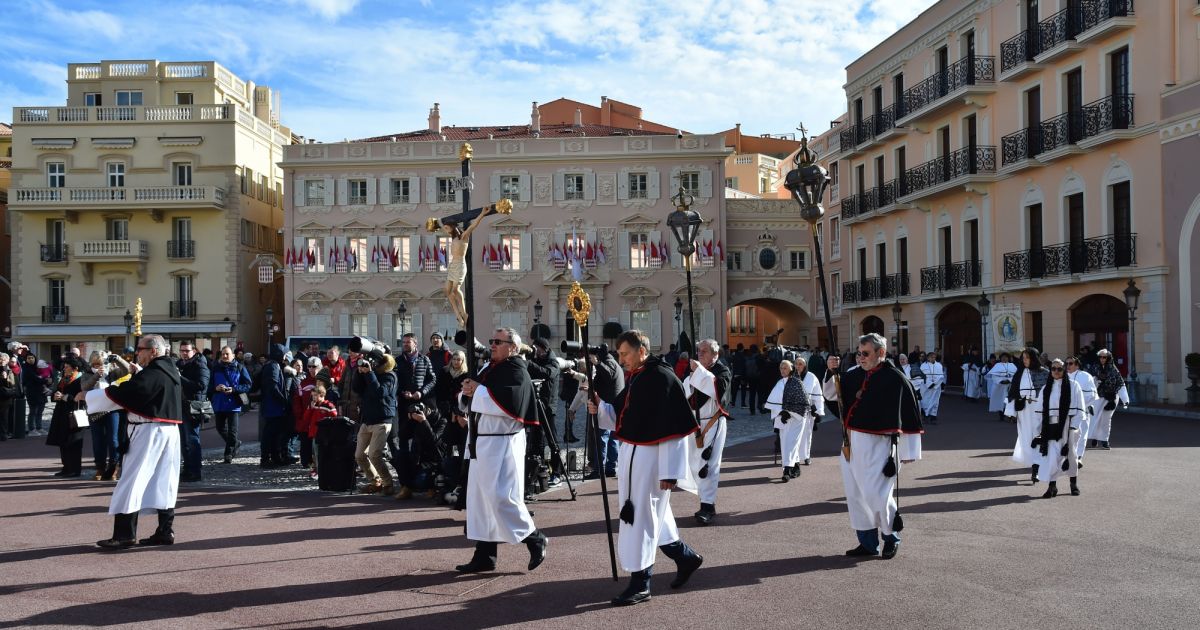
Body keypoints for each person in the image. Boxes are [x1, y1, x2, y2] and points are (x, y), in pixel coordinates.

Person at [588, 330, 703, 606]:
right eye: (619, 354)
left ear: (642, 350)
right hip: (632, 455)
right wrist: (599, 407)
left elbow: (675, 429)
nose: (621, 359)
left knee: (641, 516)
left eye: (625, 354)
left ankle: (641, 582)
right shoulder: (637, 376)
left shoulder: (662, 378)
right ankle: (685, 557)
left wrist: (670, 471)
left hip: (653, 460)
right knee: (651, 514)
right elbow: (622, 414)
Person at [454, 328, 548, 574]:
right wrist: (466, 392)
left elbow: (510, 402)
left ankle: (534, 537)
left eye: (498, 341)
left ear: (513, 347)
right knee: (481, 500)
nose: (492, 345)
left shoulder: (517, 370)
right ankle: (485, 554)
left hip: (502, 441)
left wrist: (478, 391)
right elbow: (472, 398)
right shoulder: (488, 368)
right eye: (491, 341)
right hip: (481, 440)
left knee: (500, 496)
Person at [825, 334, 923, 559]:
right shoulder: (851, 375)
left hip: (881, 448)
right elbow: (830, 394)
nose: (861, 358)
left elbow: (909, 414)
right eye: (858, 353)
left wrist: (909, 451)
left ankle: (891, 536)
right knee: (857, 496)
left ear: (881, 353)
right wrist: (832, 371)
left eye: (866, 353)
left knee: (877, 495)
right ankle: (867, 543)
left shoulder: (895, 378)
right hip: (851, 445)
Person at [86, 334, 185, 549]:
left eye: (140, 349)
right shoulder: (168, 370)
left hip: (148, 431)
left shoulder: (154, 372)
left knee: (132, 479)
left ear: (153, 351)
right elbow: (147, 388)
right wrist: (137, 374)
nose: (136, 353)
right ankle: (165, 531)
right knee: (164, 481)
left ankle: (124, 535)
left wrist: (92, 396)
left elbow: (132, 393)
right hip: (168, 432)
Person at [682, 339, 731, 525]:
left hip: (713, 423)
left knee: (708, 465)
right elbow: (685, 391)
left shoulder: (722, 370)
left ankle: (707, 506)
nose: (700, 354)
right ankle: (705, 500)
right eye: (698, 351)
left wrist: (699, 373)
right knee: (694, 464)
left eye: (704, 351)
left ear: (715, 354)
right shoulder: (696, 372)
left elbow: (717, 389)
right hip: (695, 425)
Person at [391, 333, 437, 499]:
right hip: (404, 407)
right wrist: (402, 392)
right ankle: (406, 486)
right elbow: (394, 381)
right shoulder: (398, 361)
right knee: (403, 445)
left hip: (421, 406)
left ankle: (429, 484)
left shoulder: (424, 360)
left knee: (425, 443)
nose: (405, 344)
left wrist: (420, 392)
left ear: (415, 343)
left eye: (408, 342)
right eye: (403, 342)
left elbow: (432, 380)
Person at [765, 357, 824, 481]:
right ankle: (795, 466)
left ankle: (787, 469)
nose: (782, 370)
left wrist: (816, 411)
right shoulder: (779, 383)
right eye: (781, 367)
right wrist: (780, 414)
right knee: (785, 443)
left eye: (785, 367)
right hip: (783, 419)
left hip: (797, 418)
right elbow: (774, 403)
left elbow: (803, 401)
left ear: (791, 369)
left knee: (792, 443)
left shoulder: (797, 383)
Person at [1033, 359, 1084, 498]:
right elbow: (1039, 411)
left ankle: (1073, 483)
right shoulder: (1046, 388)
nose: (1056, 371)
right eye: (1053, 369)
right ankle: (1052, 486)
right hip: (1050, 427)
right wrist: (1038, 431)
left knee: (1070, 456)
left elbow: (1080, 408)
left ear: (1064, 370)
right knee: (1052, 457)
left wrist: (1073, 427)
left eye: (1059, 369)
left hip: (1069, 425)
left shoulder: (1074, 386)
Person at [354, 350, 398, 494]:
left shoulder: (390, 376)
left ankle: (388, 483)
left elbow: (379, 392)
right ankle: (375, 481)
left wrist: (369, 374)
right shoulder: (369, 375)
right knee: (359, 455)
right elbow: (356, 389)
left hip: (382, 420)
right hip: (367, 420)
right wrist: (359, 372)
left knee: (374, 454)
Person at [525, 338, 563, 488]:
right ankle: (539, 471)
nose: (537, 352)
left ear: (545, 349)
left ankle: (558, 473)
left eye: (538, 349)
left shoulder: (553, 362)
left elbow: (547, 373)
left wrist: (529, 363)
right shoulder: (537, 359)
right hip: (536, 406)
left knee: (552, 440)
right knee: (536, 440)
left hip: (548, 407)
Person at [1007, 348, 1048, 483]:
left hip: (1038, 409)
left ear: (1034, 358)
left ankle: (1035, 469)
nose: (1025, 360)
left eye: (1027, 358)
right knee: (1026, 437)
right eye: (1023, 358)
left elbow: (1050, 392)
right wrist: (1012, 412)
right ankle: (1033, 464)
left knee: (1037, 436)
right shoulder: (1018, 374)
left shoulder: (1044, 373)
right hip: (1023, 411)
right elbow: (1012, 393)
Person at [81, 352, 123, 481]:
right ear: (92, 363)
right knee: (98, 440)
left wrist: (118, 359)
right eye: (96, 364)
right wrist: (96, 376)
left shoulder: (112, 372)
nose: (100, 366)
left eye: (103, 363)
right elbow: (84, 387)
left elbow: (126, 370)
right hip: (95, 410)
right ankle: (100, 467)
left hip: (112, 409)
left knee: (113, 439)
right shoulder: (87, 374)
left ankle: (113, 468)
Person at [45, 356, 86, 477]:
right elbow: (56, 392)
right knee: (63, 441)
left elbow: (82, 397)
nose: (64, 368)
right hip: (61, 413)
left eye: (67, 367)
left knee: (74, 442)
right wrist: (55, 396)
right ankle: (66, 467)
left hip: (75, 414)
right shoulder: (64, 379)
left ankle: (74, 469)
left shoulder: (81, 380)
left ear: (75, 368)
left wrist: (66, 397)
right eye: (65, 366)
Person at [210, 346, 252, 463]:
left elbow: (248, 385)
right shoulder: (216, 368)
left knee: (233, 431)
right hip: (219, 403)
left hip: (234, 404)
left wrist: (233, 389)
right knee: (220, 427)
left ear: (233, 355)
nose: (224, 356)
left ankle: (228, 454)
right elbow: (209, 385)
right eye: (223, 354)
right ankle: (236, 443)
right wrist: (216, 388)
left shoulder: (240, 367)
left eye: (227, 354)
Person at [588, 345, 624, 479]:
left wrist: (597, 363)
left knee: (603, 438)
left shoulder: (609, 363)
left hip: (608, 406)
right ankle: (610, 467)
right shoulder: (612, 362)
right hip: (614, 405)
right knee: (612, 439)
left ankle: (600, 469)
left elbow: (608, 374)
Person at [177, 341, 210, 482]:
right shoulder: (179, 364)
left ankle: (196, 471)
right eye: (182, 350)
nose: (184, 353)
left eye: (187, 351)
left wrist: (180, 378)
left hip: (193, 407)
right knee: (183, 441)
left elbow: (201, 386)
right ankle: (187, 469)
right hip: (180, 406)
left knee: (192, 439)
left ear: (194, 351)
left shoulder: (200, 364)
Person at [259, 344, 292, 468]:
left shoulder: (273, 365)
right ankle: (266, 458)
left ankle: (275, 457)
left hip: (273, 406)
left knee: (274, 433)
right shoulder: (273, 366)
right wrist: (284, 401)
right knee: (270, 434)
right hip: (273, 406)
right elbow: (273, 387)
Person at [1088, 348, 1128, 450]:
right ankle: (1094, 438)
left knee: (1106, 420)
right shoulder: (1094, 368)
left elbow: (1120, 383)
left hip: (1110, 398)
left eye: (1104, 357)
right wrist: (1096, 380)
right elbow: (1088, 382)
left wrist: (1125, 399)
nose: (1102, 359)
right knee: (1094, 418)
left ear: (1108, 358)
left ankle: (1105, 440)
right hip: (1097, 397)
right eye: (1100, 357)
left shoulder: (1113, 370)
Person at [1065, 357, 1097, 466]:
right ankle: (1067, 457)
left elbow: (1092, 395)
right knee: (1067, 436)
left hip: (1082, 411)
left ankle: (1078, 457)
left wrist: (1080, 406)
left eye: (1071, 363)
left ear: (1077, 365)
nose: (1068, 365)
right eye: (1066, 363)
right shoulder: (1062, 376)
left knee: (1082, 434)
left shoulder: (1085, 376)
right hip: (1066, 412)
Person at [293, 357, 323, 470]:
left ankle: (318, 464)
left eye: (314, 366)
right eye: (309, 366)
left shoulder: (324, 382)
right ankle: (307, 462)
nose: (311, 369)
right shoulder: (303, 383)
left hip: (319, 419)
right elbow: (297, 400)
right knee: (305, 442)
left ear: (319, 367)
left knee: (318, 443)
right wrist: (300, 415)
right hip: (305, 419)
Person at [303, 383, 338, 478]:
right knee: (315, 454)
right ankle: (318, 471)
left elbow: (335, 418)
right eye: (312, 395)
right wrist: (310, 408)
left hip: (325, 435)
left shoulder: (329, 405)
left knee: (324, 454)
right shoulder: (311, 406)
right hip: (314, 434)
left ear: (322, 395)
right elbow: (306, 418)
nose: (313, 398)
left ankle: (324, 472)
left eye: (315, 395)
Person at [24, 354, 50, 437]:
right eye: (29, 358)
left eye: (32, 358)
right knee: (33, 411)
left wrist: (47, 380)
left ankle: (39, 427)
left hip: (41, 392)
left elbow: (44, 375)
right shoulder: (26, 368)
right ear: (26, 359)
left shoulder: (38, 367)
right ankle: (31, 429)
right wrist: (45, 380)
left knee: (40, 411)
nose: (31, 359)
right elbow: (35, 379)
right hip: (32, 392)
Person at [986, 353, 1018, 418]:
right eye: (1002, 357)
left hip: (1009, 386)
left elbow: (1016, 375)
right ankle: (1001, 414)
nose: (1004, 358)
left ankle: (1010, 415)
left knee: (1009, 401)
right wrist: (1001, 381)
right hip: (999, 387)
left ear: (1008, 358)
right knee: (1000, 401)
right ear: (1000, 358)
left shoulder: (1012, 365)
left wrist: (1009, 380)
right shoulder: (997, 365)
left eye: (1006, 357)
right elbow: (994, 376)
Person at [920, 352, 946, 424]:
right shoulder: (923, 366)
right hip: (926, 388)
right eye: (931, 357)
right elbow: (922, 376)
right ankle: (926, 416)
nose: (933, 358)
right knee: (926, 402)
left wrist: (935, 384)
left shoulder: (939, 365)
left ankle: (933, 416)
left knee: (935, 402)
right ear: (928, 358)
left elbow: (941, 376)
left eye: (934, 357)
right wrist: (929, 384)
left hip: (936, 388)